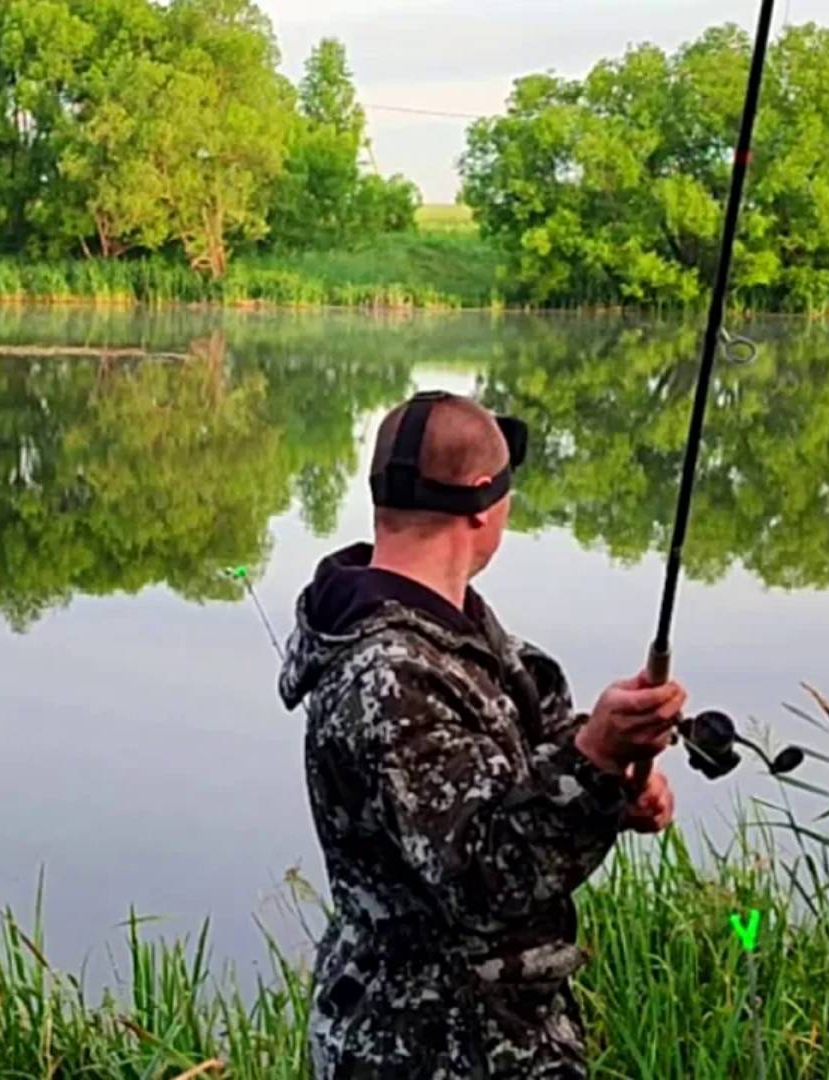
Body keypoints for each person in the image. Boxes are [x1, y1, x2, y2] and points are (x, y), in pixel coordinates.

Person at [279, 390, 685, 1079]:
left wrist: (615, 780)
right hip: (422, 1046)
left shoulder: (457, 632)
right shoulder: (389, 677)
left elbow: (521, 761)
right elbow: (480, 883)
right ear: (482, 503)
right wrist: (594, 761)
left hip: (487, 1033)